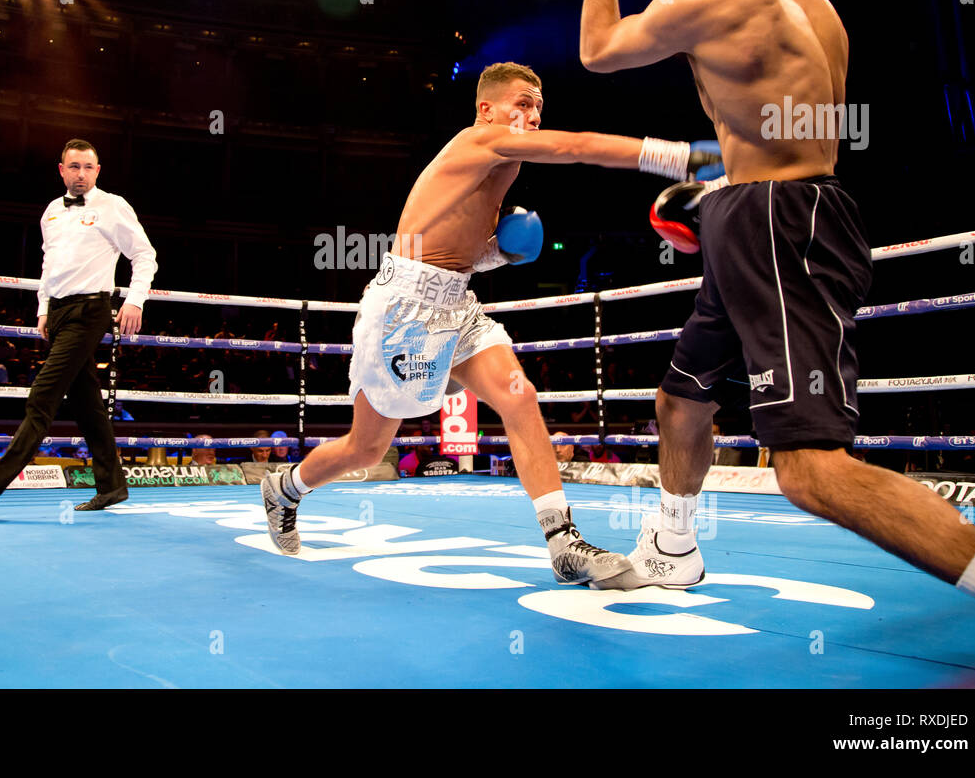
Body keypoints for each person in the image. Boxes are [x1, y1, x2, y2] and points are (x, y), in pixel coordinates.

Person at [577, 0, 975, 624]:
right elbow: (788, 126)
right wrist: (724, 200)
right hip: (771, 208)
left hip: (775, 223)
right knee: (682, 398)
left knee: (809, 471)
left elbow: (598, 47)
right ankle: (673, 547)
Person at [259, 61, 720, 584]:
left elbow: (462, 252)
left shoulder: (505, 161)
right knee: (367, 447)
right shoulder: (480, 141)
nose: (533, 115)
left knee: (518, 393)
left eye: (538, 107)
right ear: (487, 110)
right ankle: (286, 487)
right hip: (405, 306)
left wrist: (500, 254)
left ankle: (561, 540)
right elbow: (576, 147)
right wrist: (678, 156)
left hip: (457, 300)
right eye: (523, 103)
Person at [0, 138, 158, 517]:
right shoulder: (51, 211)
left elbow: (145, 254)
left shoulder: (112, 206)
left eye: (88, 167)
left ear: (97, 171)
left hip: (90, 309)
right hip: (60, 312)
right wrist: (43, 309)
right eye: (74, 166)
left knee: (42, 398)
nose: (81, 174)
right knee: (87, 406)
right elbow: (49, 267)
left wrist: (134, 300)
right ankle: (112, 486)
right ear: (61, 170)